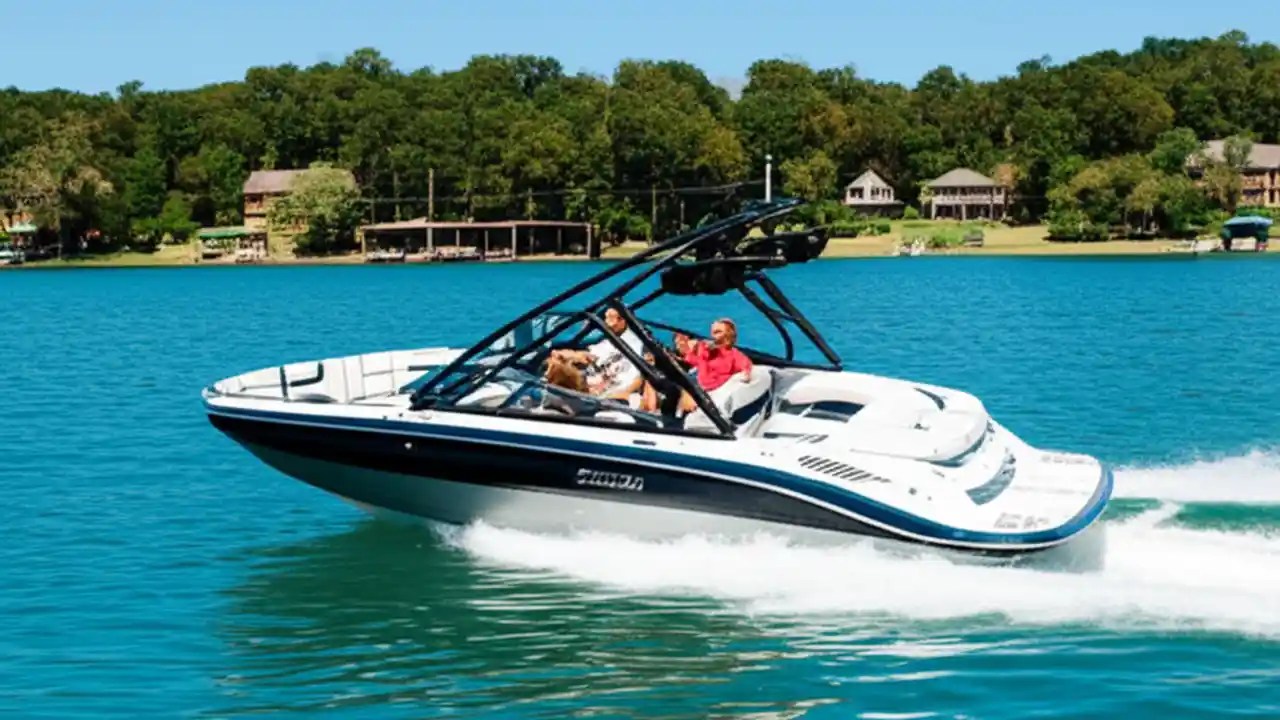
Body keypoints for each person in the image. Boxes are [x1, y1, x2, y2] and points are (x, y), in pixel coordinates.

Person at [550, 308, 644, 397]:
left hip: (606, 392)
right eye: (606, 318)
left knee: (560, 371)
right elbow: (592, 355)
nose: (606, 323)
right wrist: (569, 355)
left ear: (623, 321)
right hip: (595, 382)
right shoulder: (611, 339)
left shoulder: (635, 348)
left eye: (611, 318)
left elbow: (630, 381)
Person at [675, 317, 752, 392]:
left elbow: (744, 364)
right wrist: (689, 353)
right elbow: (698, 361)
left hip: (712, 388)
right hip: (699, 384)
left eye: (718, 332)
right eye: (713, 332)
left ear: (729, 334)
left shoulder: (733, 354)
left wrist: (746, 373)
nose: (713, 336)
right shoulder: (706, 350)